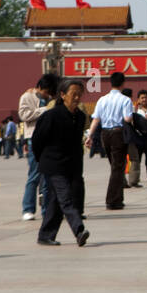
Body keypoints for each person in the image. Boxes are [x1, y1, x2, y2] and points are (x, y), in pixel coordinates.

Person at [31, 78, 90, 247]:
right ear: (63, 95)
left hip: (71, 164)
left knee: (57, 201)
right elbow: (38, 140)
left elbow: (77, 142)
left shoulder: (79, 117)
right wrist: (41, 159)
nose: (77, 98)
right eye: (74, 94)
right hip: (53, 164)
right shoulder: (51, 116)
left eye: (80, 94)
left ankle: (45, 235)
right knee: (66, 198)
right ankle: (79, 230)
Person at [87, 71, 132, 210]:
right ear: (123, 83)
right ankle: (112, 200)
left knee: (115, 166)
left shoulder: (102, 99)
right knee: (117, 167)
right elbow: (127, 119)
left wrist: (89, 135)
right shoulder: (125, 100)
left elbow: (96, 119)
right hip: (118, 133)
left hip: (105, 134)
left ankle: (118, 197)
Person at [18, 73, 59, 221]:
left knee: (48, 178)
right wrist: (44, 110)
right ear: (40, 87)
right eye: (46, 92)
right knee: (34, 175)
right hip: (34, 139)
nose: (47, 95)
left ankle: (46, 210)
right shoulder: (27, 97)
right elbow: (24, 115)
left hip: (50, 139)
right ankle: (28, 208)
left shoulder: (52, 100)